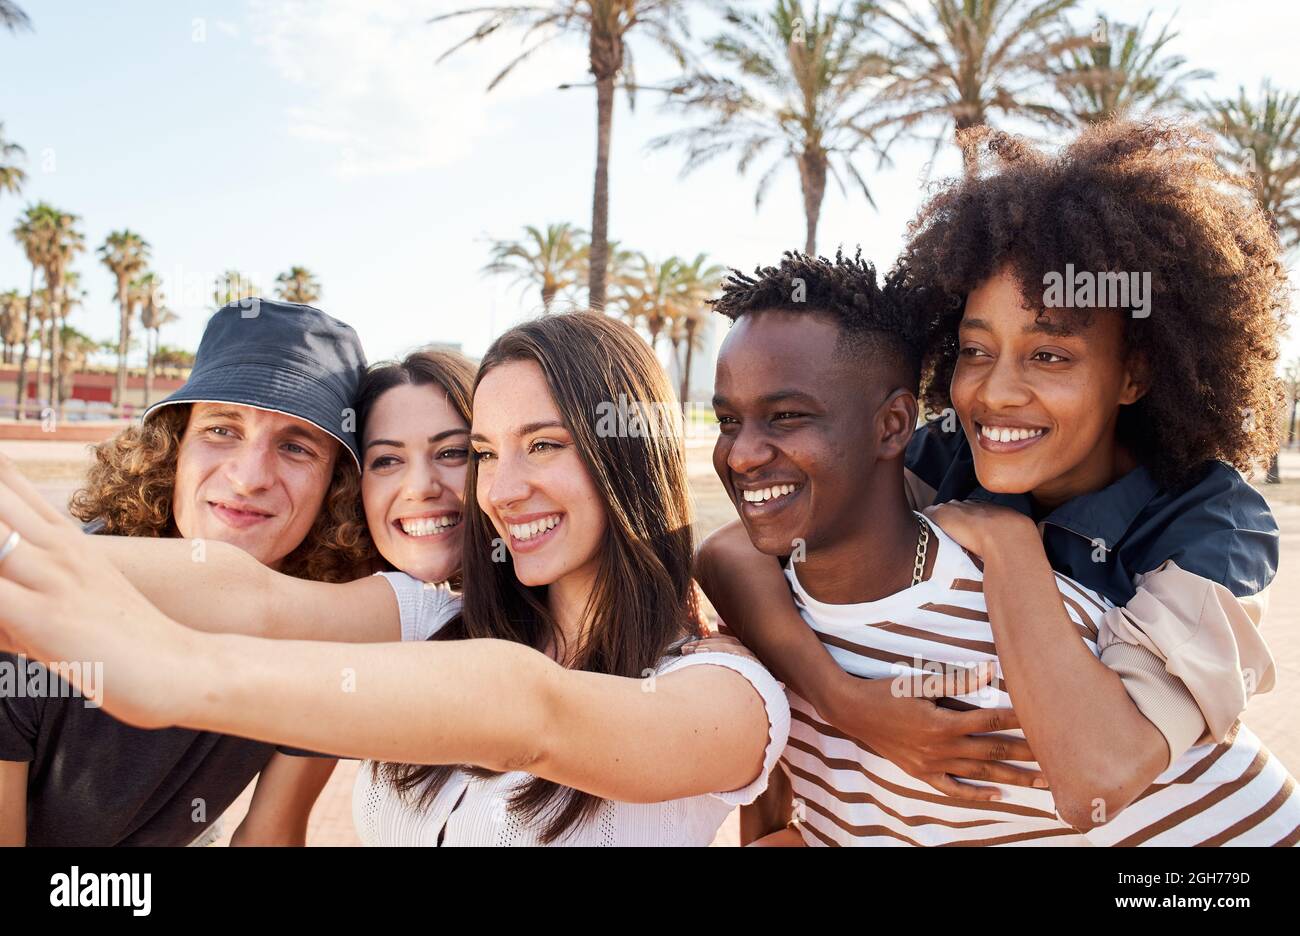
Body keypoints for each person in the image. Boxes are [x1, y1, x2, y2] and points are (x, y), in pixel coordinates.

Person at [698, 122, 1298, 845]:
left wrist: (1010, 547)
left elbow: (1098, 773)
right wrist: (849, 703)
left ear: (1135, 372)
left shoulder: (1210, 525)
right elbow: (734, 552)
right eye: (977, 350)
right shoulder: (947, 452)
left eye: (1049, 355)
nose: (996, 393)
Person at [0, 311, 791, 846]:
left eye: (545, 445)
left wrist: (176, 672)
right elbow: (254, 597)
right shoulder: (432, 616)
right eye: (484, 452)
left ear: (627, 450)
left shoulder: (727, 695)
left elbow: (531, 712)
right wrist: (22, 548)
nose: (501, 489)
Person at [0, 298, 371, 846]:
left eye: (295, 446)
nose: (248, 478)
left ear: (336, 488)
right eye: (222, 430)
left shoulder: (330, 632)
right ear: (172, 448)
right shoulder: (36, 612)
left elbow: (270, 833)